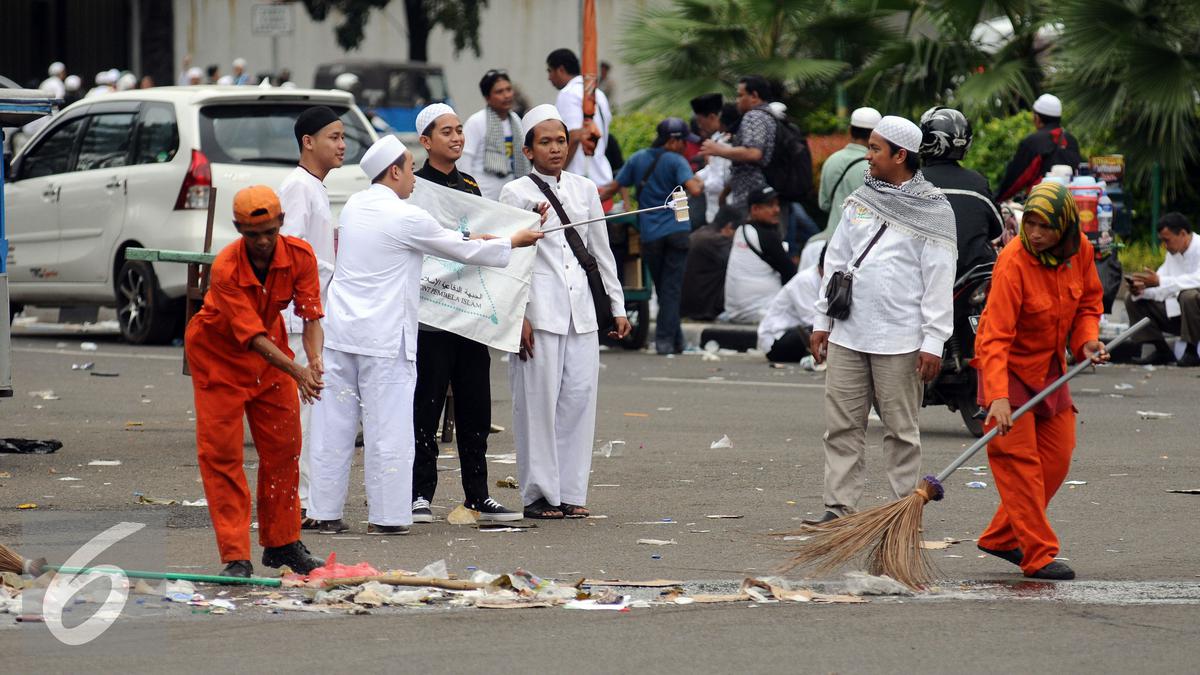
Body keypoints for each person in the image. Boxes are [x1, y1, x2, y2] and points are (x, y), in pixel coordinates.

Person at [306, 136, 542, 535]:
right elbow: (457, 249)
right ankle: (389, 516)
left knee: (334, 427)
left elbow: (449, 243)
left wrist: (481, 241)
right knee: (388, 429)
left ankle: (325, 511)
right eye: (411, 169)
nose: (414, 179)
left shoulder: (357, 207)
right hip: (383, 340)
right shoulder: (405, 215)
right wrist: (512, 241)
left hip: (342, 335)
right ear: (394, 171)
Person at [807, 115, 956, 523]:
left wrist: (933, 342)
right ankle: (838, 510)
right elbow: (836, 261)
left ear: (900, 155)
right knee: (841, 428)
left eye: (875, 149)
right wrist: (822, 320)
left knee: (901, 434)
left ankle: (902, 514)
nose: (868, 156)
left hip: (901, 340)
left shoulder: (935, 210)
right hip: (848, 334)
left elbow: (938, 280)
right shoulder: (861, 199)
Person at [184, 185, 327, 578]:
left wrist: (314, 360)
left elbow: (312, 315)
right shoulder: (226, 267)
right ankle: (236, 556)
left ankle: (282, 543)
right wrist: (296, 370)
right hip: (219, 357)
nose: (263, 241)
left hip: (272, 359)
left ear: (281, 223)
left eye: (269, 231)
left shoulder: (300, 254)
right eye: (252, 234)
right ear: (238, 230)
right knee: (221, 457)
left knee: (285, 447)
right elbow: (251, 336)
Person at [499, 104, 630, 519]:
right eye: (546, 142)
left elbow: (601, 253)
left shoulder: (585, 189)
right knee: (536, 404)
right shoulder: (515, 193)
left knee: (578, 400)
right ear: (529, 149)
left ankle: (571, 492)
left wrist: (617, 306)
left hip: (582, 313)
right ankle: (538, 494)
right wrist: (517, 316)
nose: (555, 149)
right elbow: (511, 260)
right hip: (540, 312)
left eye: (560, 141)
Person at [973, 181, 1106, 580]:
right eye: (1029, 224)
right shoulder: (1013, 261)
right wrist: (997, 397)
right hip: (1007, 370)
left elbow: (1088, 303)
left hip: (1049, 367)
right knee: (1018, 462)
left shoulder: (1079, 249)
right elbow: (995, 335)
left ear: (1064, 227)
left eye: (1044, 227)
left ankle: (1001, 536)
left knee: (1057, 456)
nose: (1034, 234)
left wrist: (1087, 342)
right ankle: (1037, 553)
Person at [410, 103, 523, 523]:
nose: (457, 138)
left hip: (471, 313)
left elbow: (485, 239)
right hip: (432, 315)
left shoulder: (471, 184)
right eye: (446, 132)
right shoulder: (415, 187)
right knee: (426, 404)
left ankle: (478, 495)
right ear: (426, 141)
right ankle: (419, 494)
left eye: (459, 130)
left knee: (476, 407)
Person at [277, 106, 345, 528]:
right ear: (308, 142)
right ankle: (300, 502)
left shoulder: (315, 186)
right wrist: (304, 313)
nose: (342, 145)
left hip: (314, 312)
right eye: (334, 137)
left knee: (311, 409)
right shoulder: (297, 187)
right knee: (300, 412)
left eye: (342, 137)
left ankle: (306, 498)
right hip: (297, 316)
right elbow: (288, 253)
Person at [599, 118, 703, 354]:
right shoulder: (677, 161)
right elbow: (694, 189)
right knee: (671, 289)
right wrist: (701, 179)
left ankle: (676, 341)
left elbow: (610, 189)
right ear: (673, 141)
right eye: (683, 141)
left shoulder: (638, 158)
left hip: (650, 235)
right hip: (676, 232)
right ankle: (665, 342)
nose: (686, 146)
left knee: (664, 288)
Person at [918, 106, 1002, 278]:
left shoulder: (911, 181)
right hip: (972, 282)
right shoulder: (977, 182)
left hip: (924, 277)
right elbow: (997, 230)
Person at [698, 75, 776, 230]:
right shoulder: (769, 114)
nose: (737, 101)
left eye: (740, 95)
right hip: (763, 193)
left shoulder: (753, 116)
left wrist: (718, 150)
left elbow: (754, 153)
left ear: (754, 96)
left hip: (751, 196)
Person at [1124, 212, 1200, 366]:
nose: (1165, 245)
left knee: (1188, 295)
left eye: (1167, 240)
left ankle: (1192, 351)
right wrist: (1142, 290)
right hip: (1179, 315)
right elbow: (1161, 287)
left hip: (1195, 313)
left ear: (1183, 234)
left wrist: (1159, 281)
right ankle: (1162, 350)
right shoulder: (1172, 254)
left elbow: (1196, 280)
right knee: (1132, 299)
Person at [723, 186, 796, 323]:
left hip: (734, 311)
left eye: (777, 205)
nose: (777, 210)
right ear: (755, 209)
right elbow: (791, 273)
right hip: (762, 311)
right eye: (770, 206)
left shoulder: (741, 229)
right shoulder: (766, 235)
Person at [547, 48, 613, 188]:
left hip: (580, 179)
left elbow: (575, 136)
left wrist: (556, 176)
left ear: (560, 70)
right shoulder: (598, 93)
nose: (549, 78)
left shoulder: (568, 93)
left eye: (549, 71)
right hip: (602, 175)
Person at [996, 94, 1081, 202]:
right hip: (1071, 203)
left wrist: (997, 199)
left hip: (1040, 204)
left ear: (1037, 118)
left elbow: (1016, 180)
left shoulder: (1033, 142)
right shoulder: (1071, 140)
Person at [462, 69, 530, 200]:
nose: (507, 95)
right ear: (487, 97)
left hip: (510, 196)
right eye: (499, 92)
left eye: (508, 89)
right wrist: (469, 195)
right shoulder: (476, 122)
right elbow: (464, 161)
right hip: (483, 196)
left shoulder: (515, 120)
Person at [814, 107, 880, 242]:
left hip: (833, 240)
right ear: (876, 134)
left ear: (850, 130)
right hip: (862, 243)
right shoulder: (875, 166)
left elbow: (824, 204)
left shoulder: (832, 160)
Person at [758, 243, 825, 362]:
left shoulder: (824, 280)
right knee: (820, 327)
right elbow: (811, 319)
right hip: (777, 340)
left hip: (796, 333)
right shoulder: (805, 280)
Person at [680, 219, 734, 321]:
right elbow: (734, 262)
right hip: (702, 308)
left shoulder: (700, 233)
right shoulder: (715, 240)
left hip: (686, 305)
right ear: (728, 227)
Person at [690, 94, 730, 226]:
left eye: (701, 121)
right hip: (713, 211)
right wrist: (696, 176)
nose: (700, 126)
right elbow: (713, 169)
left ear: (712, 117)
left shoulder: (727, 142)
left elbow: (721, 181)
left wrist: (701, 185)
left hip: (725, 211)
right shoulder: (716, 139)